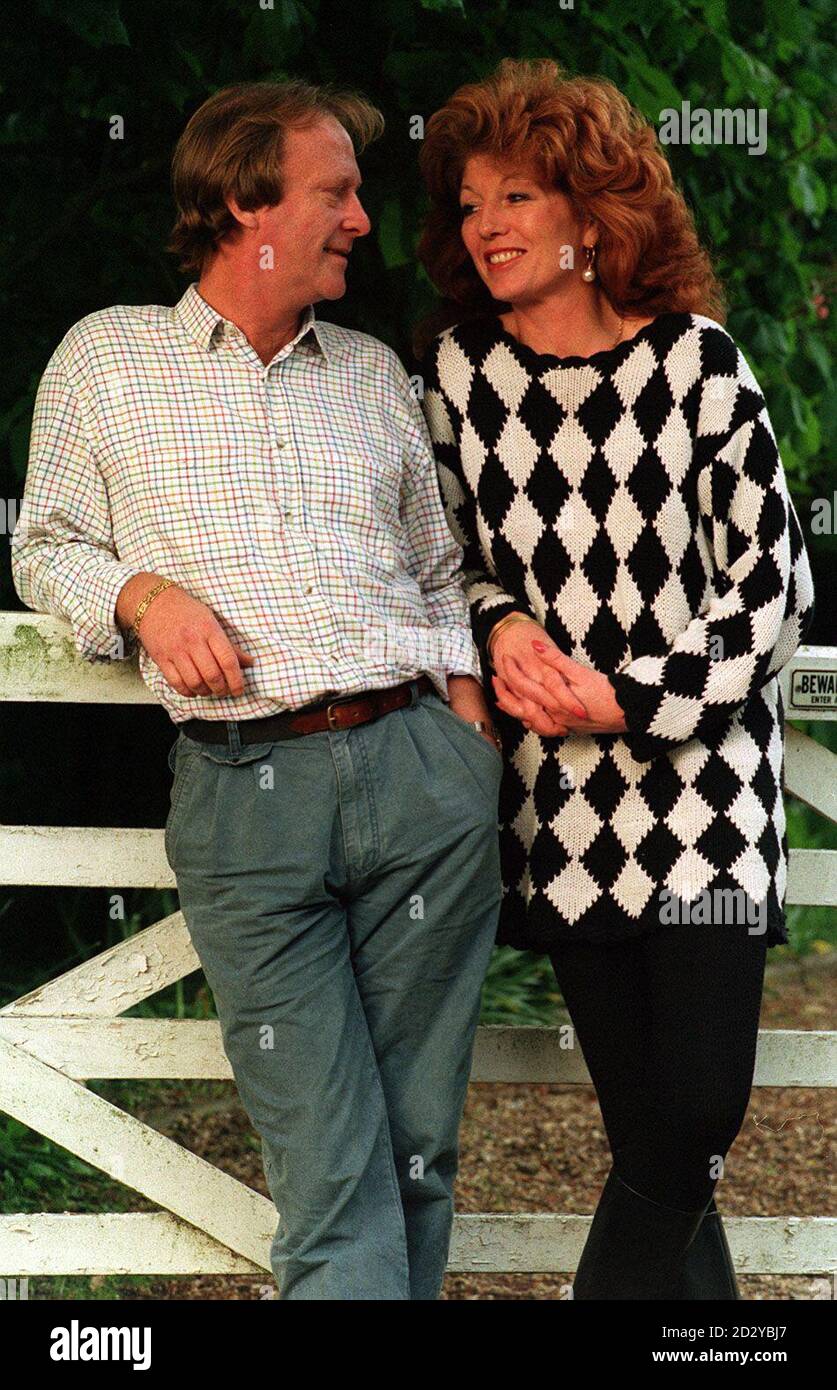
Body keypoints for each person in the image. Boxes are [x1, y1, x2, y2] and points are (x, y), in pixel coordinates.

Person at [11, 79, 505, 1301]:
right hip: (248, 793)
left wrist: (467, 748)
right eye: (336, 192)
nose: (360, 222)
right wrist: (145, 599)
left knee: (417, 1153)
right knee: (332, 1170)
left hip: (419, 784)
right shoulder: (108, 356)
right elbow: (47, 543)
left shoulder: (377, 373)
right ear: (244, 201)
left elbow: (442, 575)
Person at [415, 57, 816, 1299]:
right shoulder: (455, 379)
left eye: (519, 196)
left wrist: (627, 696)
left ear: (595, 215)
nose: (487, 223)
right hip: (563, 814)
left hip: (703, 810)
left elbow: (773, 590)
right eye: (473, 199)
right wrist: (495, 625)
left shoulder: (699, 366)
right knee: (655, 1137)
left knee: (695, 1112)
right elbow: (437, 563)